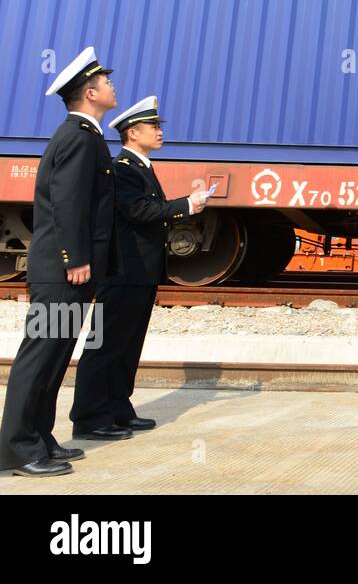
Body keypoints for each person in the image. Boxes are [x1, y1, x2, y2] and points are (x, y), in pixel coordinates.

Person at [0, 48, 118, 476]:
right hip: (62, 269)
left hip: (69, 269)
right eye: (106, 82)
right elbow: (67, 205)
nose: (112, 86)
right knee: (40, 356)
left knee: (55, 356)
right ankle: (17, 448)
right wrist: (76, 258)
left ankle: (40, 438)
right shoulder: (77, 137)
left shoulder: (85, 136)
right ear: (90, 92)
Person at [70, 97, 208, 439]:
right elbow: (139, 211)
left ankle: (117, 408)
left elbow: (146, 210)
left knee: (127, 345)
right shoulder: (122, 169)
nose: (160, 132)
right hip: (122, 273)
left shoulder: (140, 167)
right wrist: (186, 205)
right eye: (154, 127)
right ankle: (89, 416)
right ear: (133, 133)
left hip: (138, 274)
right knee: (105, 345)